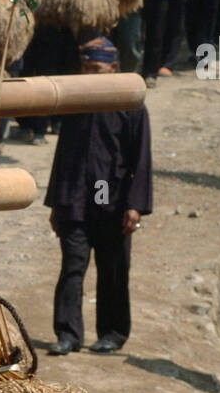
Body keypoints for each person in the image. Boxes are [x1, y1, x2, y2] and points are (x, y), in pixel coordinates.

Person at [46, 37, 153, 355]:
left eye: (96, 68)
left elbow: (141, 159)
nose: (89, 74)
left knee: (113, 270)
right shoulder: (76, 102)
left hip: (114, 203)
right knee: (72, 268)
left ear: (113, 69)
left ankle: (112, 332)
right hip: (75, 202)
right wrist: (55, 203)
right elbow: (63, 154)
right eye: (85, 68)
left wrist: (135, 205)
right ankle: (68, 334)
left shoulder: (131, 105)